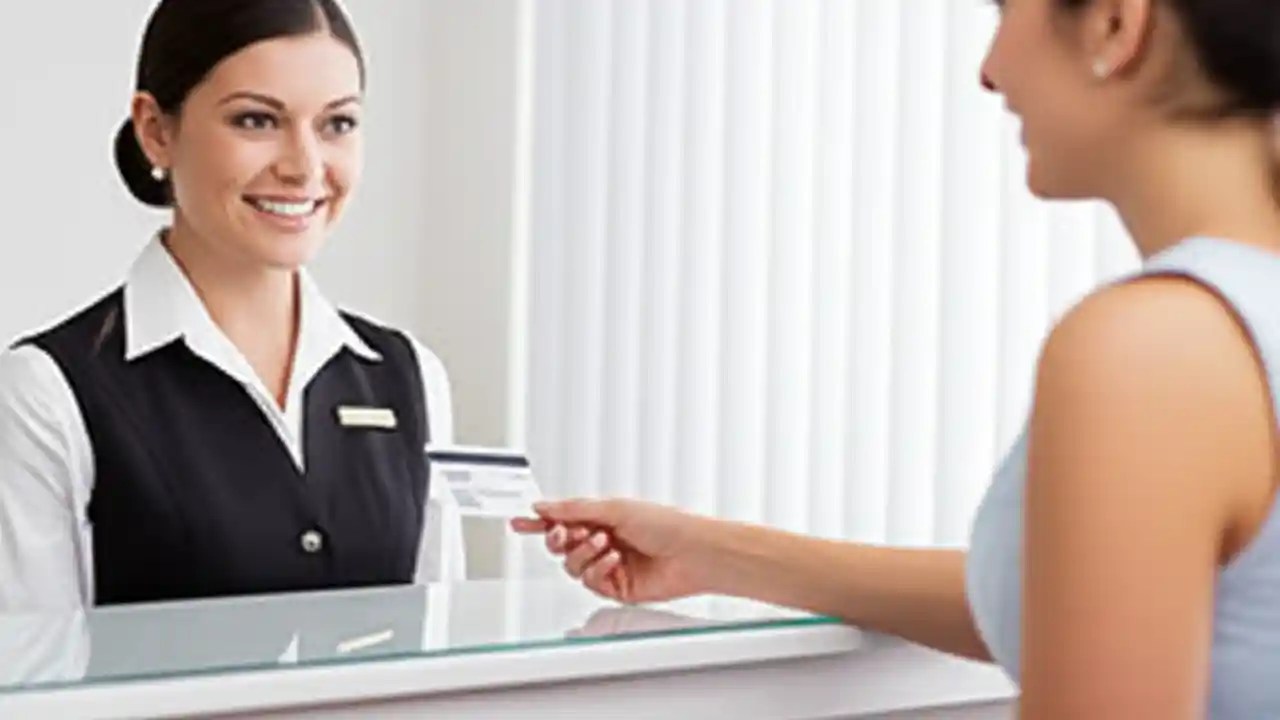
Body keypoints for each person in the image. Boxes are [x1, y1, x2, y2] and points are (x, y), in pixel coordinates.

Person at [514, 0, 1280, 716]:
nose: (989, 70)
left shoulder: (1151, 351)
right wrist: (710, 553)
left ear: (1114, 23)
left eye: (1005, 10)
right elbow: (1092, 601)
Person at [0, 0, 463, 610]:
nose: (304, 166)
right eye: (256, 120)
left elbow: (439, 644)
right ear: (156, 131)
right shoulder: (46, 394)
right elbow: (29, 663)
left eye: (337, 124)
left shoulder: (411, 377)